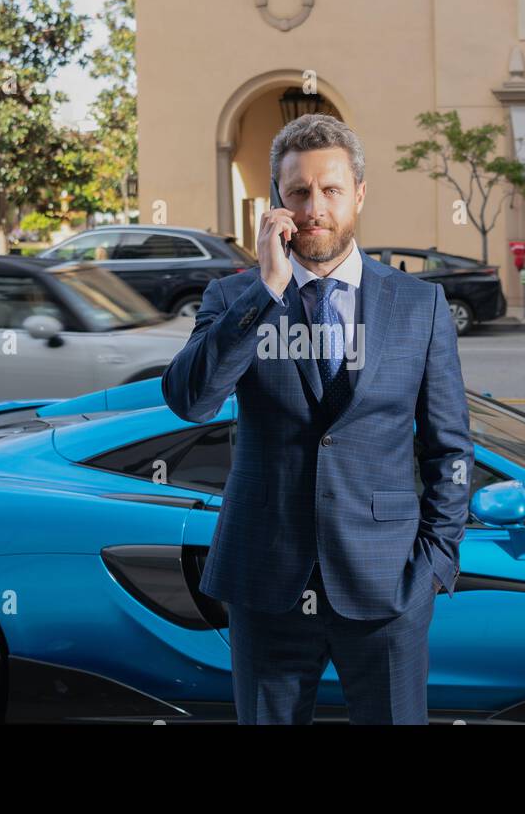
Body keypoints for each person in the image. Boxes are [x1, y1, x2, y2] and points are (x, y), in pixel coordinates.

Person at [161, 113, 472, 724]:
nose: (314, 207)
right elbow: (190, 399)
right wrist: (265, 291)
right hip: (267, 583)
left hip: (389, 586)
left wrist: (435, 562)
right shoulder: (233, 300)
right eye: (297, 192)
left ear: (358, 194)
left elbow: (450, 447)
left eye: (330, 189)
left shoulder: (418, 304)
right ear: (278, 201)